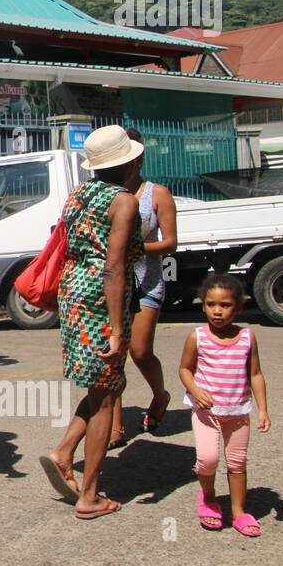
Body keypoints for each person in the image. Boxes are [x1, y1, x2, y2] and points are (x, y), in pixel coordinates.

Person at [39, 125, 143, 520]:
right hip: (102, 298)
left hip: (73, 290)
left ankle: (65, 453)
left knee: (104, 386)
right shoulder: (124, 201)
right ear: (129, 160)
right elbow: (114, 267)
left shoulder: (78, 194)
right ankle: (90, 495)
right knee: (105, 396)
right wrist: (117, 330)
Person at [179, 274, 270, 537]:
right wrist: (195, 391)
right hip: (206, 412)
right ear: (203, 305)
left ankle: (239, 511)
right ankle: (208, 498)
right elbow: (184, 369)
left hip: (238, 412)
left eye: (225, 305)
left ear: (239, 307)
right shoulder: (197, 337)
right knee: (207, 459)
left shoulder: (247, 338)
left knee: (237, 463)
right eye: (210, 304)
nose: (217, 311)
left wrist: (263, 408)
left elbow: (255, 374)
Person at [108, 128, 177, 448]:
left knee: (139, 351)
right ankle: (115, 427)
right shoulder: (107, 193)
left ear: (137, 159)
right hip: (113, 285)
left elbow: (171, 242)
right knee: (114, 355)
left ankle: (160, 396)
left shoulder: (157, 193)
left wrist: (134, 248)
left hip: (147, 282)